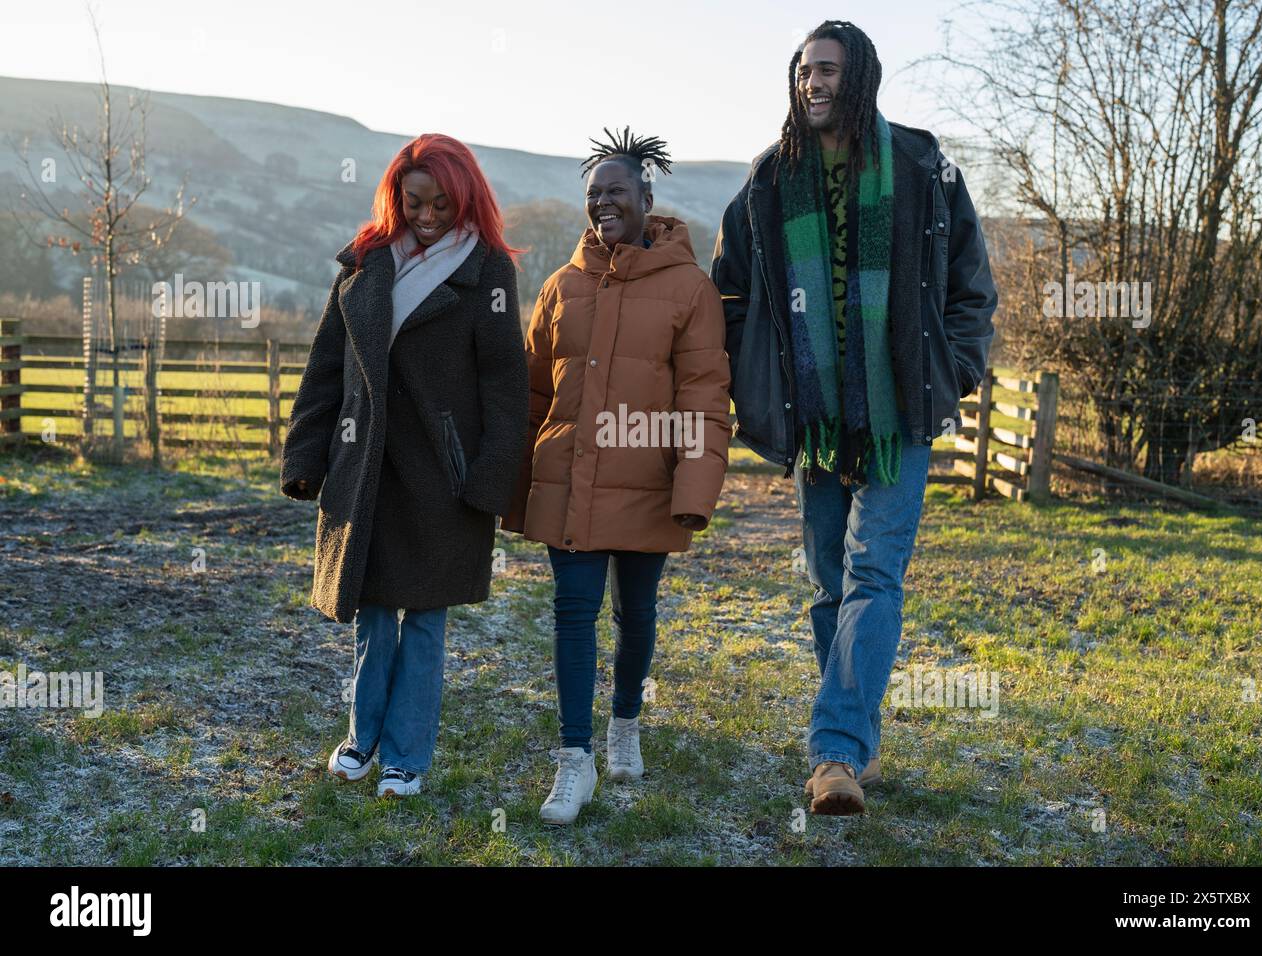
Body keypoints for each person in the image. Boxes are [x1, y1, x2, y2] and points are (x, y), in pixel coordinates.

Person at [710, 21, 998, 814]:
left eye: (828, 70)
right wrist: (752, 375)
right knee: (829, 583)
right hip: (816, 422)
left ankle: (834, 752)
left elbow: (971, 286)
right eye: (803, 71)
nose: (813, 83)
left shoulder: (919, 164)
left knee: (874, 575)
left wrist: (955, 371)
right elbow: (728, 290)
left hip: (898, 416)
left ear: (861, 75)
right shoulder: (770, 179)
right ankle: (854, 737)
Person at [280, 133, 528, 798]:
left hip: (444, 480)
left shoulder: (488, 271)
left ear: (465, 199)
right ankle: (362, 740)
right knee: (372, 610)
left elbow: (507, 384)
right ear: (396, 195)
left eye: (441, 204)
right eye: (413, 200)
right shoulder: (363, 262)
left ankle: (406, 757)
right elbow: (326, 366)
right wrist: (306, 456)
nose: (426, 214)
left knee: (423, 618)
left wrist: (490, 479)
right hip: (364, 470)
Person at [503, 127, 731, 825]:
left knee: (637, 616)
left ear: (647, 198)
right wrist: (514, 485)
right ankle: (575, 759)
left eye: (617, 191)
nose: (604, 203)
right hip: (569, 480)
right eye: (594, 193)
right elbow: (533, 394)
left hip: (649, 480)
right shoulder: (559, 286)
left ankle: (624, 721)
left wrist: (695, 490)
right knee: (573, 615)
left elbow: (703, 395)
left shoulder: (691, 288)